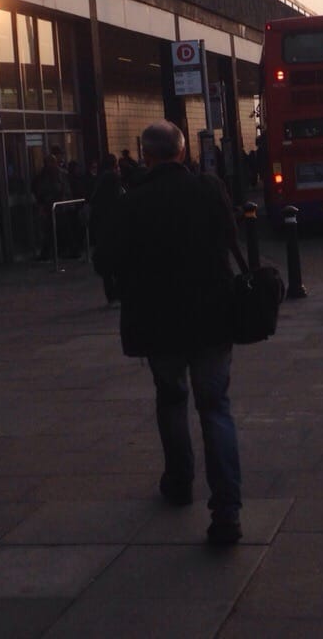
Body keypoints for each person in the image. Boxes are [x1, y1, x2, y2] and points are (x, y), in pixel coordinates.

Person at [95, 120, 244, 543]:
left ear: (146, 155)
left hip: (159, 323)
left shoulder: (132, 202)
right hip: (213, 318)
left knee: (172, 399)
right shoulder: (209, 189)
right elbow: (230, 237)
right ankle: (227, 512)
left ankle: (180, 482)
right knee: (215, 408)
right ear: (183, 152)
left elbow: (105, 261)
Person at [87, 153, 124, 304]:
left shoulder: (99, 178)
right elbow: (118, 199)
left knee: (107, 259)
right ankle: (116, 292)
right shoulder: (112, 179)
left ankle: (111, 293)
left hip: (101, 223)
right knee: (117, 259)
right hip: (112, 223)